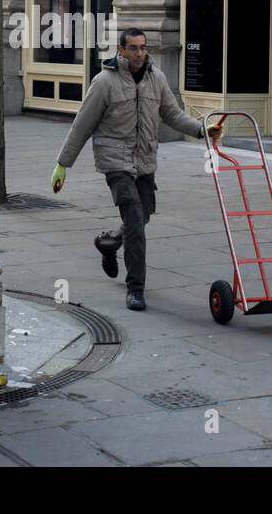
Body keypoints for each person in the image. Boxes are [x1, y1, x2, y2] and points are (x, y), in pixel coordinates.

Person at [51, 28, 223, 311]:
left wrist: (203, 130)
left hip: (144, 160)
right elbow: (81, 125)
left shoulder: (157, 79)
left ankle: (108, 243)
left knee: (143, 217)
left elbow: (173, 114)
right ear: (121, 50)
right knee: (134, 220)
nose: (139, 53)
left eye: (143, 48)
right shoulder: (104, 82)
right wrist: (62, 165)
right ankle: (136, 289)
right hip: (115, 161)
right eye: (133, 48)